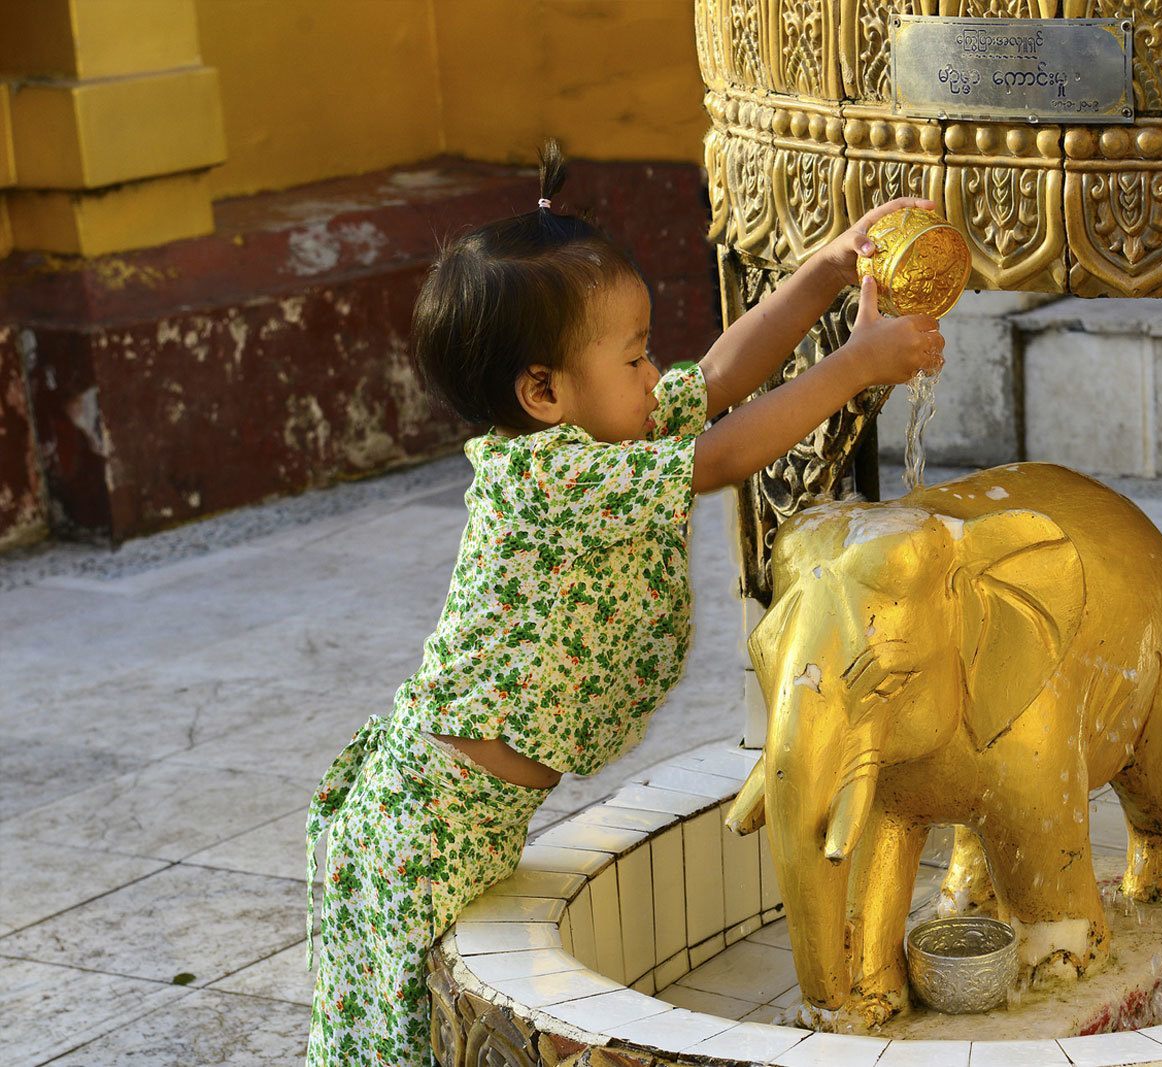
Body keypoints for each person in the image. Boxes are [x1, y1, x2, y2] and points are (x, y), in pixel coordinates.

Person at [302, 140, 945, 1065]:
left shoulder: (599, 437)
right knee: (396, 1038)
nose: (655, 377)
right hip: (423, 823)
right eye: (637, 356)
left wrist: (826, 270)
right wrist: (855, 365)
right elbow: (723, 455)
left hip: (455, 813)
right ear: (543, 391)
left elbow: (719, 378)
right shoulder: (550, 476)